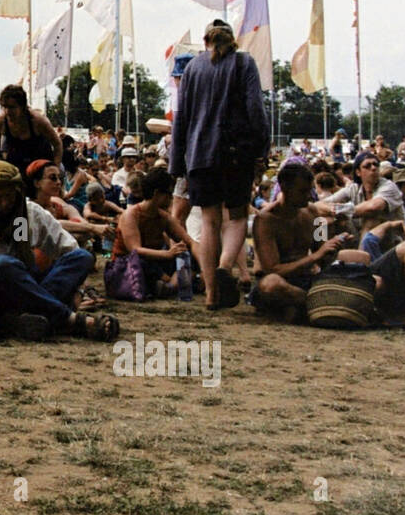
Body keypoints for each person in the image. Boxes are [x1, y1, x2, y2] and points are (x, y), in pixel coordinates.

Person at [253, 162, 405, 335]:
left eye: (309, 190)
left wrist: (334, 243)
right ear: (284, 189)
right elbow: (272, 268)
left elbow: (322, 250)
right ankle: (326, 305)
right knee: (270, 285)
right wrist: (318, 256)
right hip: (291, 281)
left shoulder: (310, 213)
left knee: (397, 262)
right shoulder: (267, 220)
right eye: (301, 191)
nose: (308, 196)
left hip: (315, 281)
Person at [0, 160, 114, 341]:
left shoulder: (24, 216)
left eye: (10, 196)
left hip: (27, 285)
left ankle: (29, 318)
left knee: (82, 257)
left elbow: (67, 249)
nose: (5, 203)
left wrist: (78, 291)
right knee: (3, 264)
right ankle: (70, 320)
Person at [169, 19, 269, 310]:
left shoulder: (192, 69)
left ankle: (212, 293)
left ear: (205, 41)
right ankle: (226, 267)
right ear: (232, 40)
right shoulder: (244, 63)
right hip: (235, 153)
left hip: (199, 156)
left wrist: (177, 164)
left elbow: (181, 119)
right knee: (237, 216)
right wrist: (262, 147)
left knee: (210, 221)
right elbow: (255, 109)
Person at [111, 169, 200, 298]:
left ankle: (170, 286)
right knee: (141, 261)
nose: (171, 199)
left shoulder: (164, 217)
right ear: (157, 193)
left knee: (188, 256)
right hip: (128, 266)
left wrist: (205, 268)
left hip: (156, 262)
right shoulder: (131, 215)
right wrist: (167, 254)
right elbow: (135, 250)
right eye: (169, 194)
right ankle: (172, 283)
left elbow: (189, 242)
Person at [25, 159, 109, 254]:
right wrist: (92, 227)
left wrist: (88, 227)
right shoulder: (26, 208)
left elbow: (79, 219)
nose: (58, 182)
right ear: (37, 183)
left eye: (59, 178)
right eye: (53, 178)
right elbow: (52, 224)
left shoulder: (57, 203)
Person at [0, 84, 62, 170]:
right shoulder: (0, 122)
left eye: (12, 107)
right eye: (5, 107)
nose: (7, 112)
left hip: (41, 164)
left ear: (22, 106)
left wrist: (55, 168)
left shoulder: (38, 121)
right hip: (16, 164)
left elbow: (57, 144)